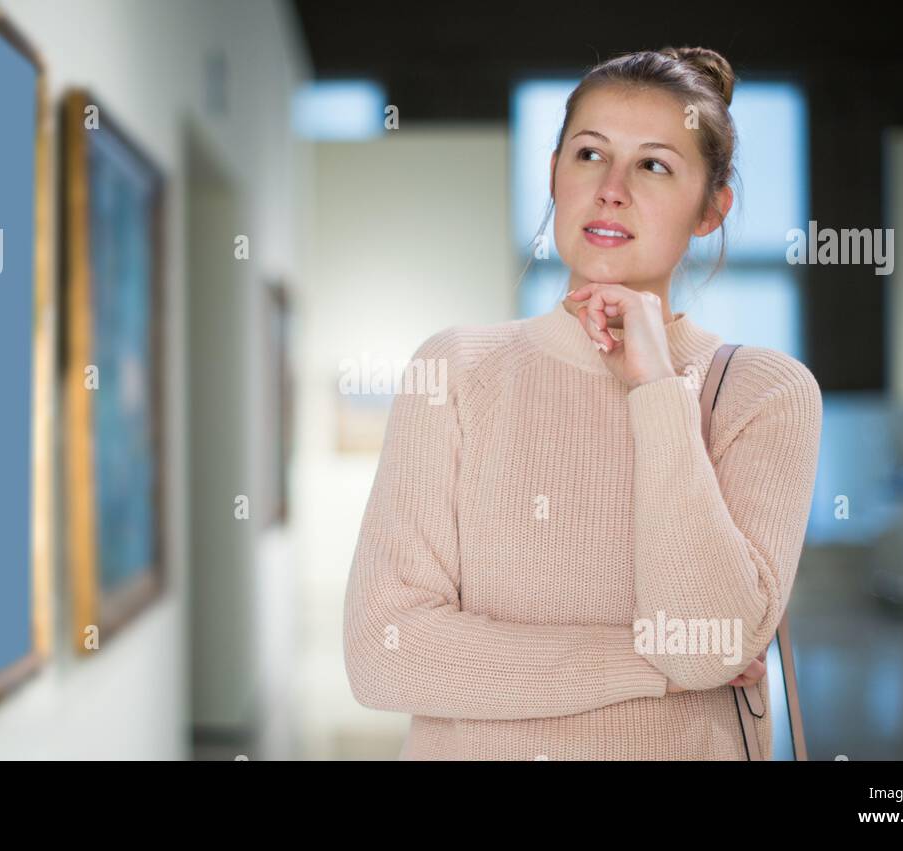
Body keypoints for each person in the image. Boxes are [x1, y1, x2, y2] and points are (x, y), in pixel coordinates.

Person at [342, 46, 822, 759]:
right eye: (590, 154)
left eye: (654, 165)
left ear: (710, 210)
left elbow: (706, 640)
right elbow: (386, 653)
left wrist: (660, 391)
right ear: (553, 176)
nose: (612, 188)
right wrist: (648, 663)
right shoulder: (455, 368)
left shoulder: (767, 392)